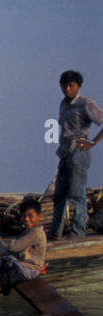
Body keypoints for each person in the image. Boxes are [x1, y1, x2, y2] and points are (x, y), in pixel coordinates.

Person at [50, 70, 103, 239]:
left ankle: (78, 233)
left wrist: (92, 142)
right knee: (59, 194)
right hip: (65, 152)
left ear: (78, 86)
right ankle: (55, 232)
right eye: (64, 85)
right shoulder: (64, 104)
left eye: (71, 85)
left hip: (79, 153)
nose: (67, 89)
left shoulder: (85, 104)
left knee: (76, 194)